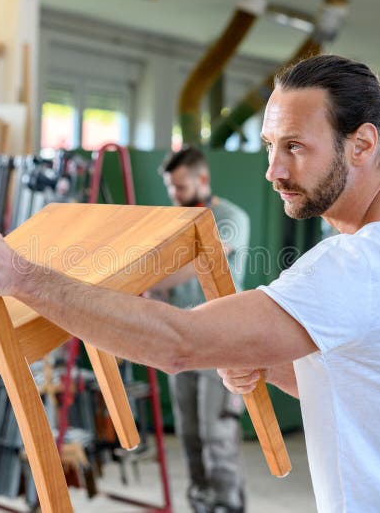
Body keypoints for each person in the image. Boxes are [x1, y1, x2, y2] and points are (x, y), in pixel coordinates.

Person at [0, 54, 380, 512]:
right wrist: (276, 364)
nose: (274, 171)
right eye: (270, 146)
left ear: (362, 143)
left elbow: (178, 344)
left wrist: (17, 273)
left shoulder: (358, 265)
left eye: (295, 147)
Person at [152, 146, 250, 513]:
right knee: (190, 433)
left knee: (217, 433)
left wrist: (153, 280)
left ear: (202, 179)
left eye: (180, 187)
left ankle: (227, 505)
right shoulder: (174, 221)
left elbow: (202, 261)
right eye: (170, 188)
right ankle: (200, 502)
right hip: (179, 343)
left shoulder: (229, 217)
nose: (174, 195)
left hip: (221, 342)